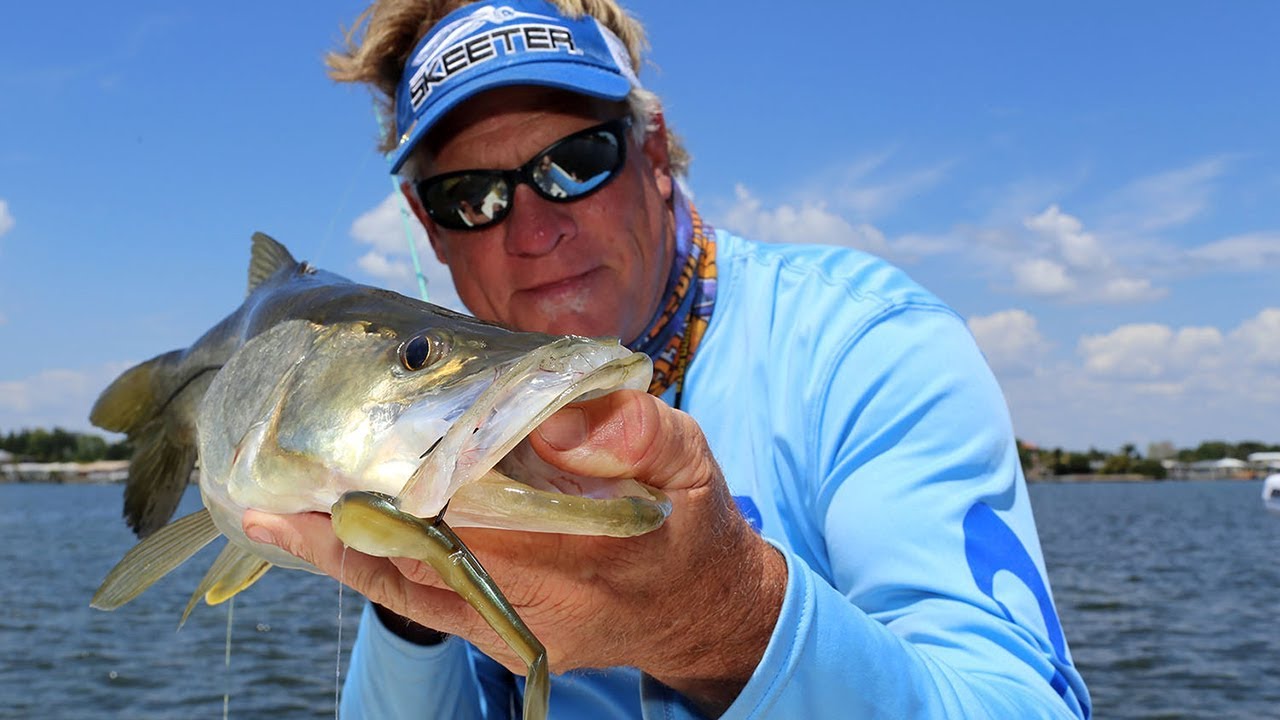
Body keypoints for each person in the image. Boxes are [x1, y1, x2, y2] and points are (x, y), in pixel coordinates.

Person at [241, 1, 1092, 718]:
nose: (534, 231)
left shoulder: (867, 347)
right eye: (472, 198)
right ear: (429, 231)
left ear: (654, 155)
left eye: (576, 164)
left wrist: (722, 619)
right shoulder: (435, 424)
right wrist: (413, 593)